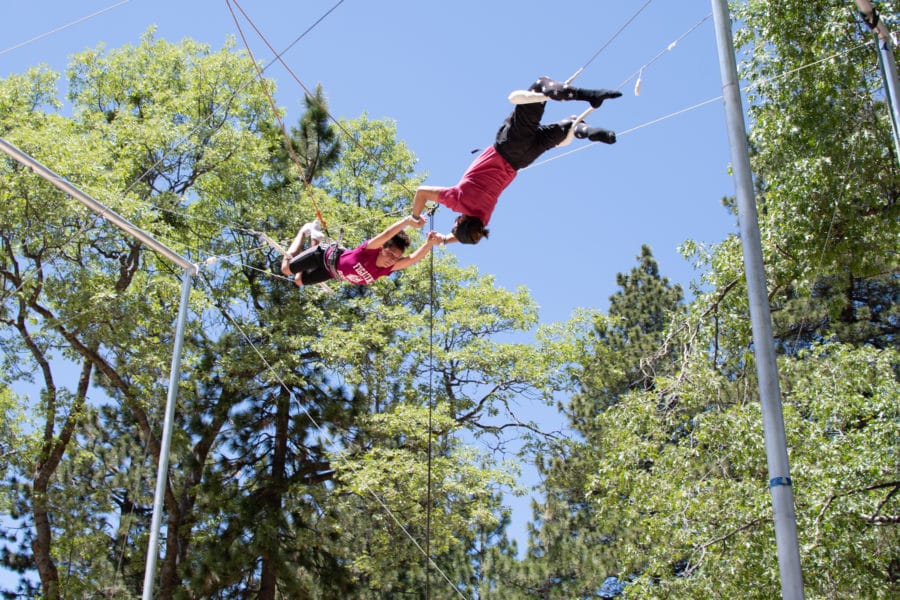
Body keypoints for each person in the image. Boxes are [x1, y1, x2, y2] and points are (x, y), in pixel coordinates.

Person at [408, 76, 622, 245]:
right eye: (455, 224)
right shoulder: (458, 200)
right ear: (461, 220)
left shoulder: (483, 217)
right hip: (508, 146)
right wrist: (415, 218)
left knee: (570, 126)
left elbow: (471, 233)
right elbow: (421, 192)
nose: (454, 222)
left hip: (523, 159)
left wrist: (446, 239)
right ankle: (589, 95)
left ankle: (589, 132)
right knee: (538, 88)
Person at [280, 215, 443, 287]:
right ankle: (304, 231)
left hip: (332, 272)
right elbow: (386, 234)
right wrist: (407, 221)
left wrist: (429, 244)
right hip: (322, 256)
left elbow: (412, 259)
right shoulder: (370, 250)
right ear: (381, 249)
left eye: (396, 257)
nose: (392, 259)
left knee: (299, 281)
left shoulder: (387, 268)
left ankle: (315, 236)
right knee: (286, 270)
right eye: (390, 253)